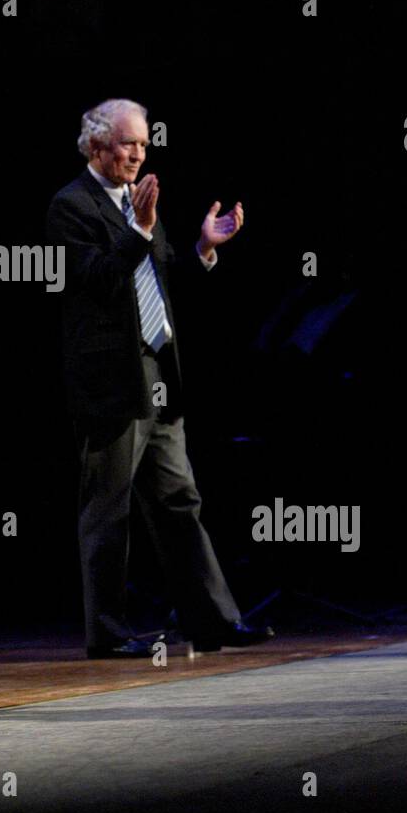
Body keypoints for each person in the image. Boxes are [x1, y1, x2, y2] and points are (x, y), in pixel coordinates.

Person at [46, 98, 274, 657]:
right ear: (96, 144)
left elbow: (163, 281)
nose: (139, 153)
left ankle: (213, 620)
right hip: (111, 382)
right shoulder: (70, 207)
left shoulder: (138, 203)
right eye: (129, 143)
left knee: (180, 499)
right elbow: (97, 281)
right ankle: (108, 633)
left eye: (145, 143)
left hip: (159, 372)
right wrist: (140, 230)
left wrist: (202, 248)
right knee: (108, 509)